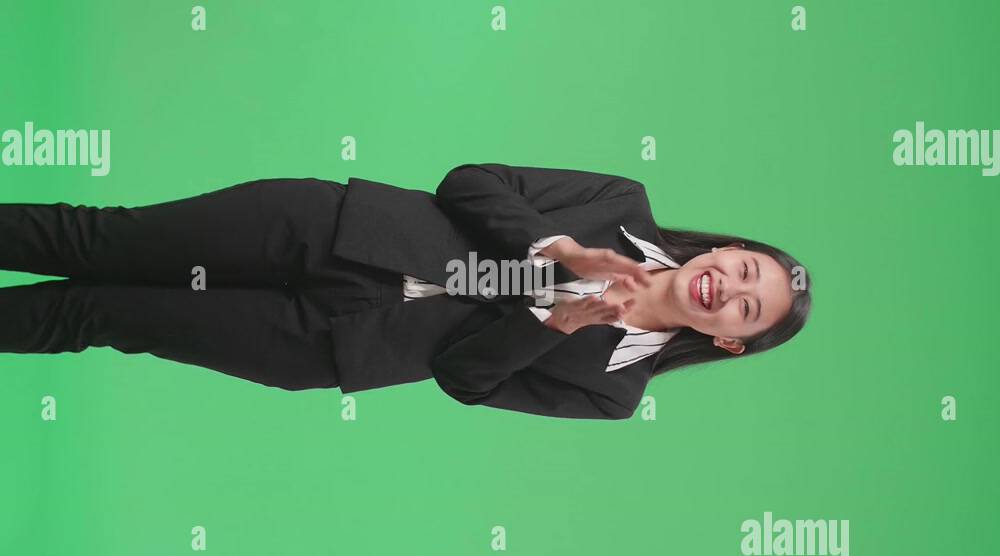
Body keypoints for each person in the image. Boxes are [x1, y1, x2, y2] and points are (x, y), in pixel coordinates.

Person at [0, 163, 812, 419]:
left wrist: (557, 321)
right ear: (730, 249)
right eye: (746, 270)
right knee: (100, 238)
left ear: (730, 340)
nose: (729, 288)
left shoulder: (615, 389)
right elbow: (469, 182)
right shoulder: (620, 204)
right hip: (333, 228)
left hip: (332, 339)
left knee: (98, 313)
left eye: (749, 307)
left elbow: (466, 378)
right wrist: (559, 245)